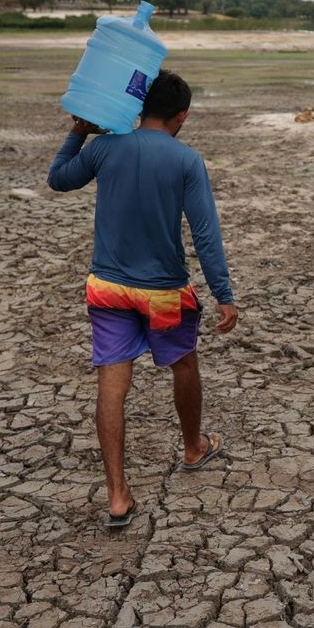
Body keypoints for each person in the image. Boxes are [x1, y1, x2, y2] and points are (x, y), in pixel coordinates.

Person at [47, 70, 238, 528]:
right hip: (164, 294)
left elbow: (58, 180)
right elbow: (205, 234)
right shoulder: (186, 160)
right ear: (182, 115)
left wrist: (79, 132)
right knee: (184, 366)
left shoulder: (105, 147)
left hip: (108, 290)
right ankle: (193, 447)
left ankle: (117, 496)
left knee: (111, 386)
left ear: (139, 106)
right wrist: (223, 293)